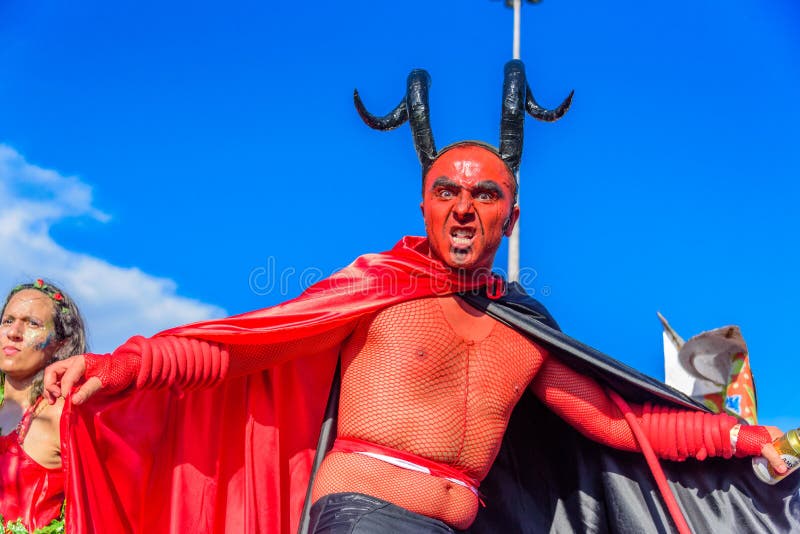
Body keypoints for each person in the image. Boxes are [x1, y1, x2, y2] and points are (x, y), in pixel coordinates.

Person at [44, 61, 793, 534]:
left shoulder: (524, 328)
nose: (464, 207)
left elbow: (618, 426)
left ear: (512, 216)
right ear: (425, 207)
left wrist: (742, 439)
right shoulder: (379, 288)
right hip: (363, 517)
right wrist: (122, 368)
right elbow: (243, 345)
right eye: (447, 191)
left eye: (485, 193)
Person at [0, 279, 87, 531]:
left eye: (32, 324)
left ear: (60, 345)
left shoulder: (61, 413)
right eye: (8, 320)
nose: (14, 332)